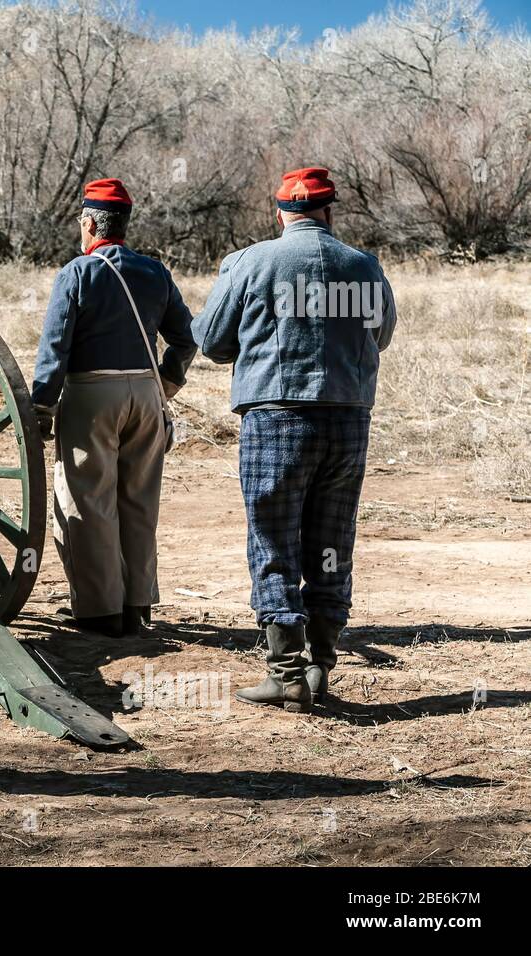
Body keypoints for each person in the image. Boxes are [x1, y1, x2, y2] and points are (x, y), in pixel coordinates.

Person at [192, 167, 397, 711]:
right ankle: (320, 666)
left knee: (274, 540)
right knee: (331, 541)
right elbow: (382, 335)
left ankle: (284, 673)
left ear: (280, 213)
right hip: (349, 421)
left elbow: (212, 341)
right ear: (330, 211)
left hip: (276, 418)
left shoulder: (252, 262)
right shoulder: (364, 266)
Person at [31, 178, 197, 638]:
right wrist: (166, 381)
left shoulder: (76, 274)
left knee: (88, 500)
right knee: (140, 501)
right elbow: (186, 337)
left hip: (91, 395)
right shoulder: (154, 272)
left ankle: (100, 610)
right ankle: (138, 605)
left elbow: (55, 346)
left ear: (89, 222)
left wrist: (42, 404)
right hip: (146, 396)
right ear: (124, 224)